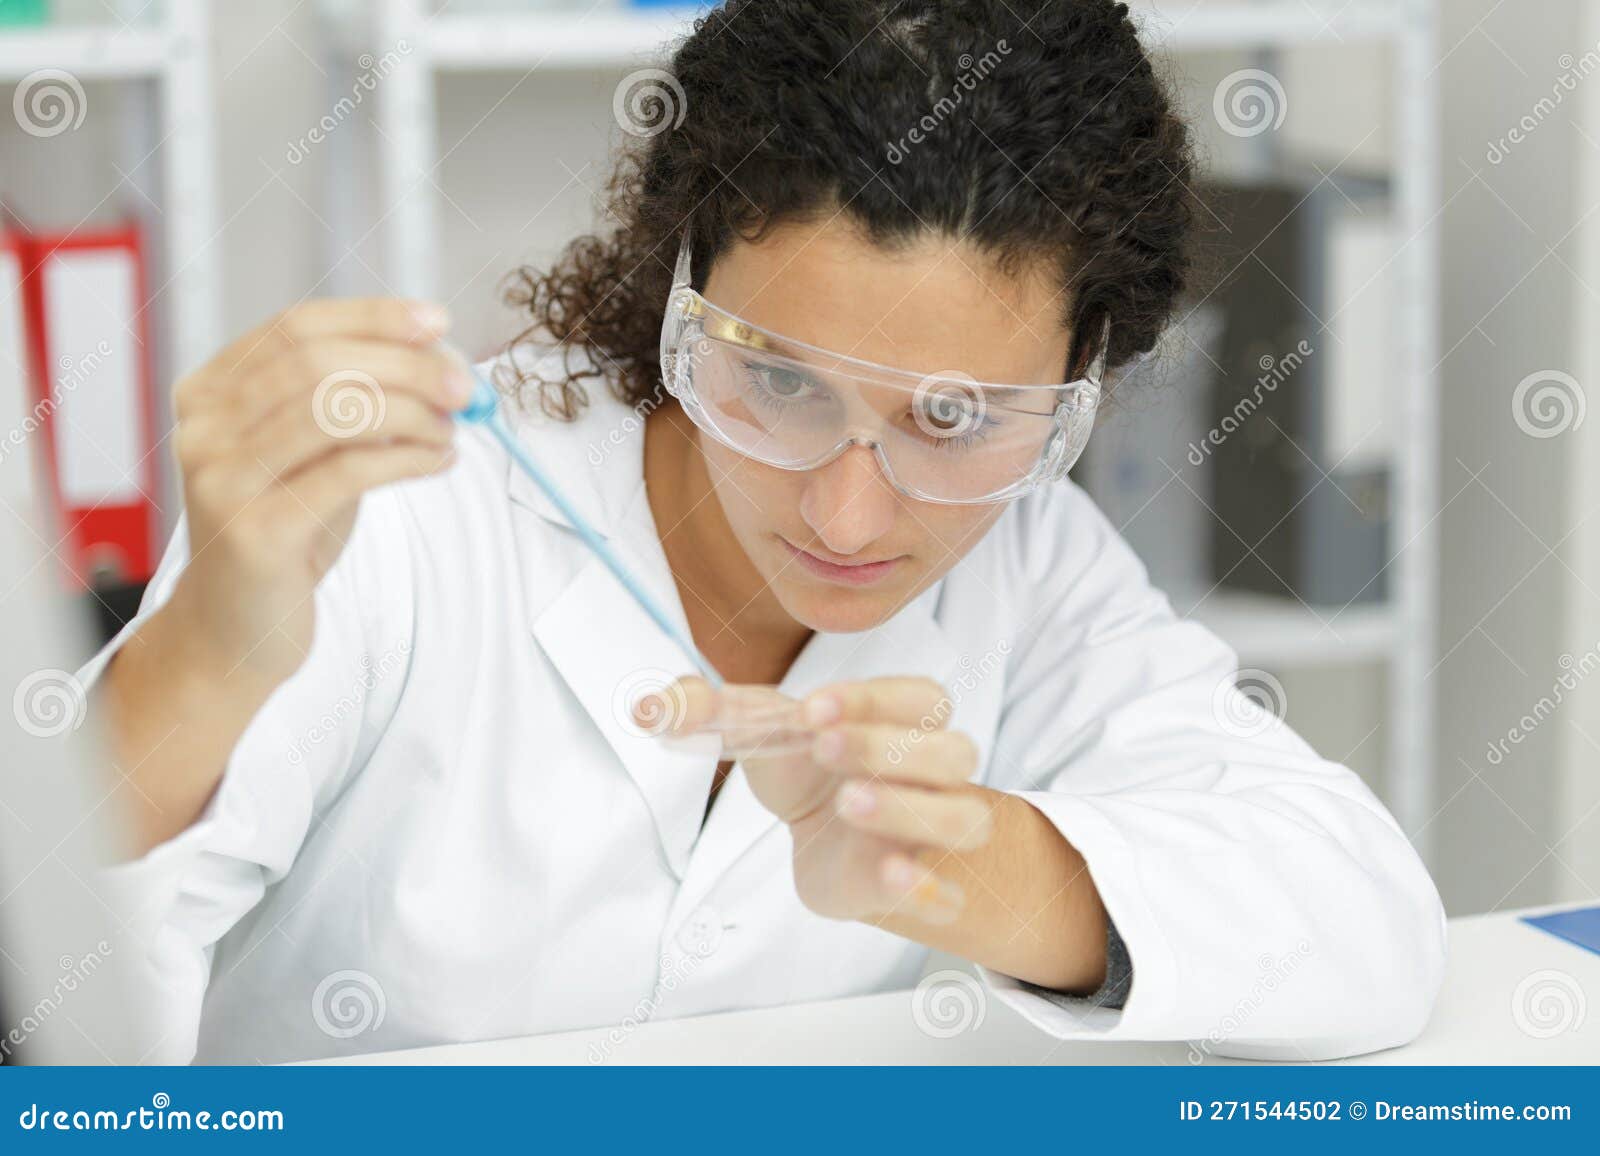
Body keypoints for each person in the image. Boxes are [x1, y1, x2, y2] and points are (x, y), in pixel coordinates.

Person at [82, 0, 1445, 1063]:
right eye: (781, 384)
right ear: (682, 279)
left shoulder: (1034, 573)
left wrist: (964, 862)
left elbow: (1372, 927)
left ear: (1091, 368)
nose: (850, 515)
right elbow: (49, 1000)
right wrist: (198, 661)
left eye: (955, 419)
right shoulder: (399, 517)